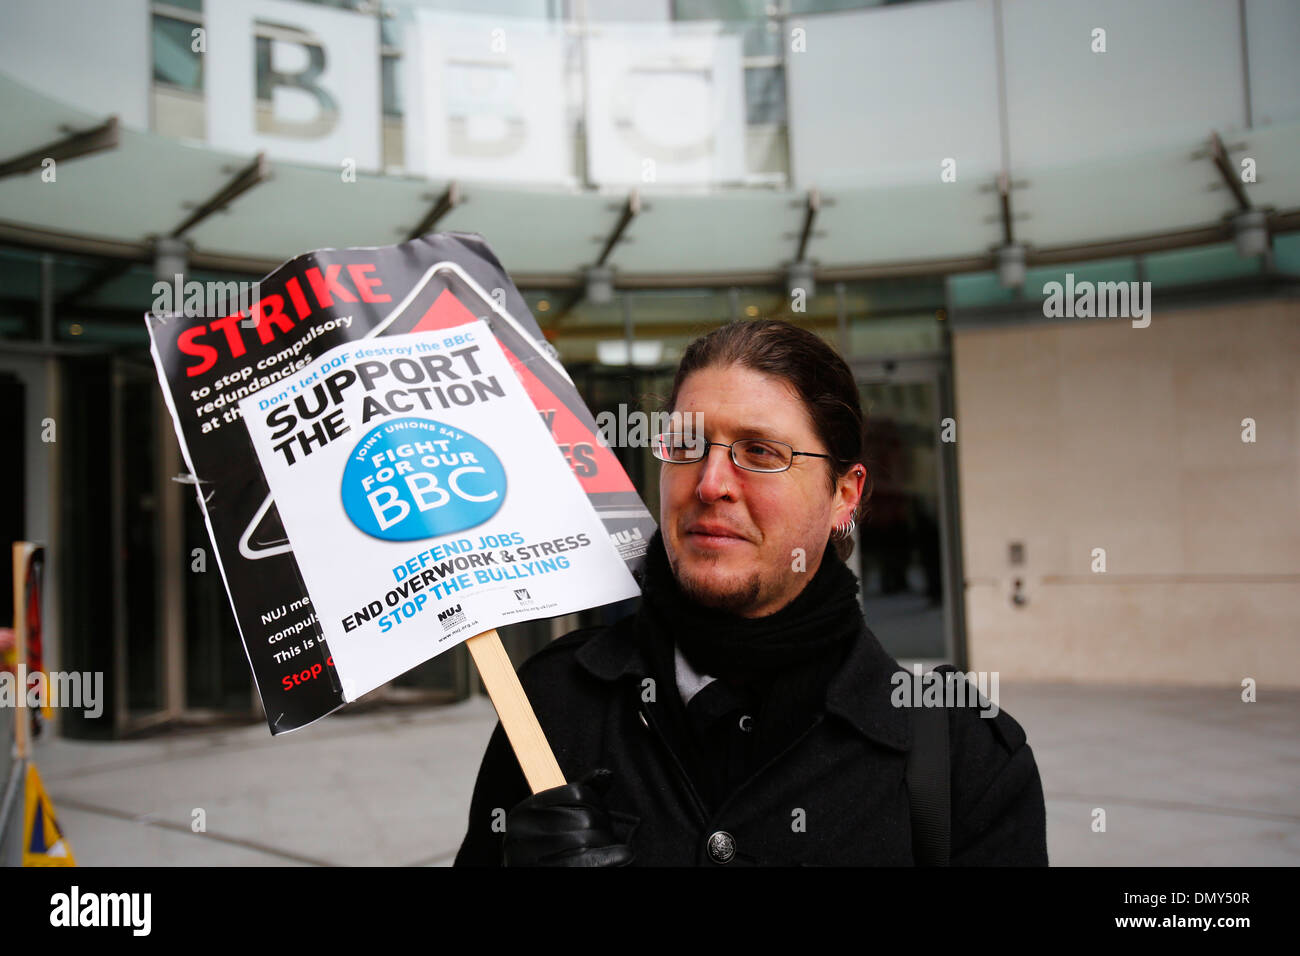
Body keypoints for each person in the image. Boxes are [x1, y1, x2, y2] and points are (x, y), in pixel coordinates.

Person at [454, 319, 1047, 866]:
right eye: (687, 445)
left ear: (845, 493)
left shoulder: (959, 758)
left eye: (760, 452)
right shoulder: (550, 706)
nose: (710, 484)